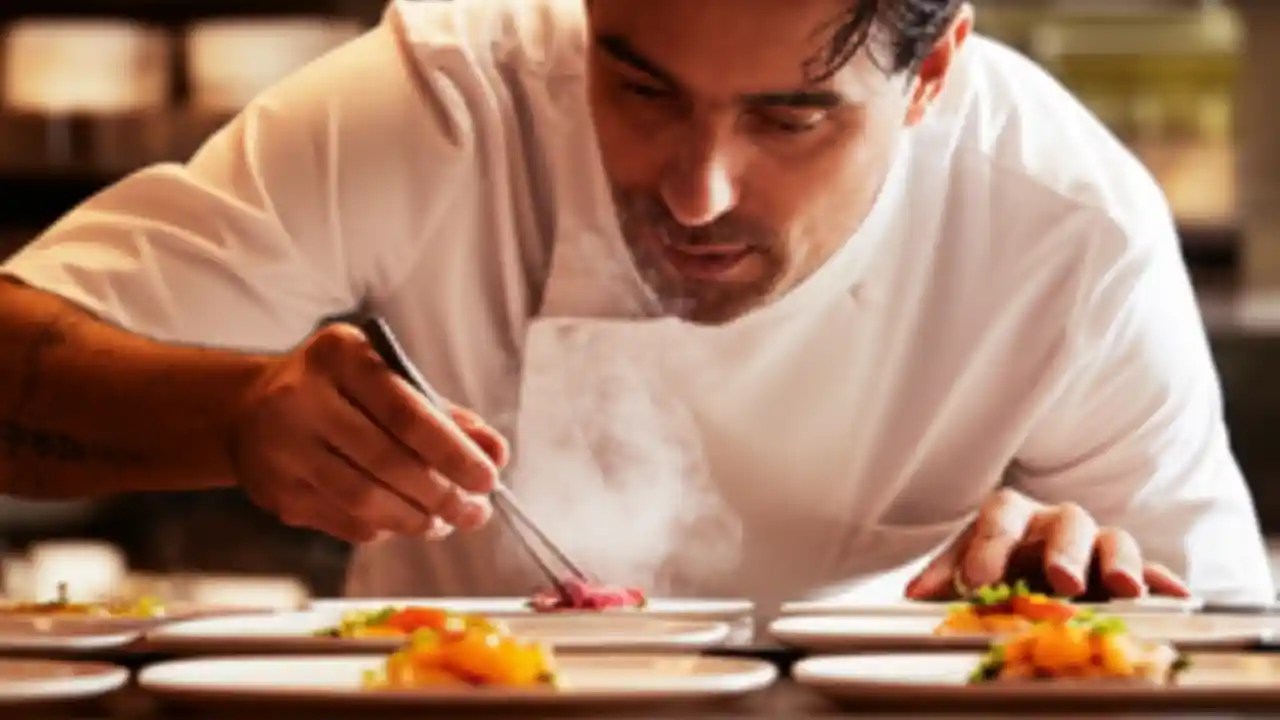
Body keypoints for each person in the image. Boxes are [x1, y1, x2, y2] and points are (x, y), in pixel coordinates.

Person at [0, 0, 1272, 612]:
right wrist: (230, 417)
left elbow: (1218, 650)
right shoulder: (444, 99)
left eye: (789, 117)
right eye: (639, 86)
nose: (698, 192)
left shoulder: (1061, 219)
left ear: (931, 72)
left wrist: (1070, 576)